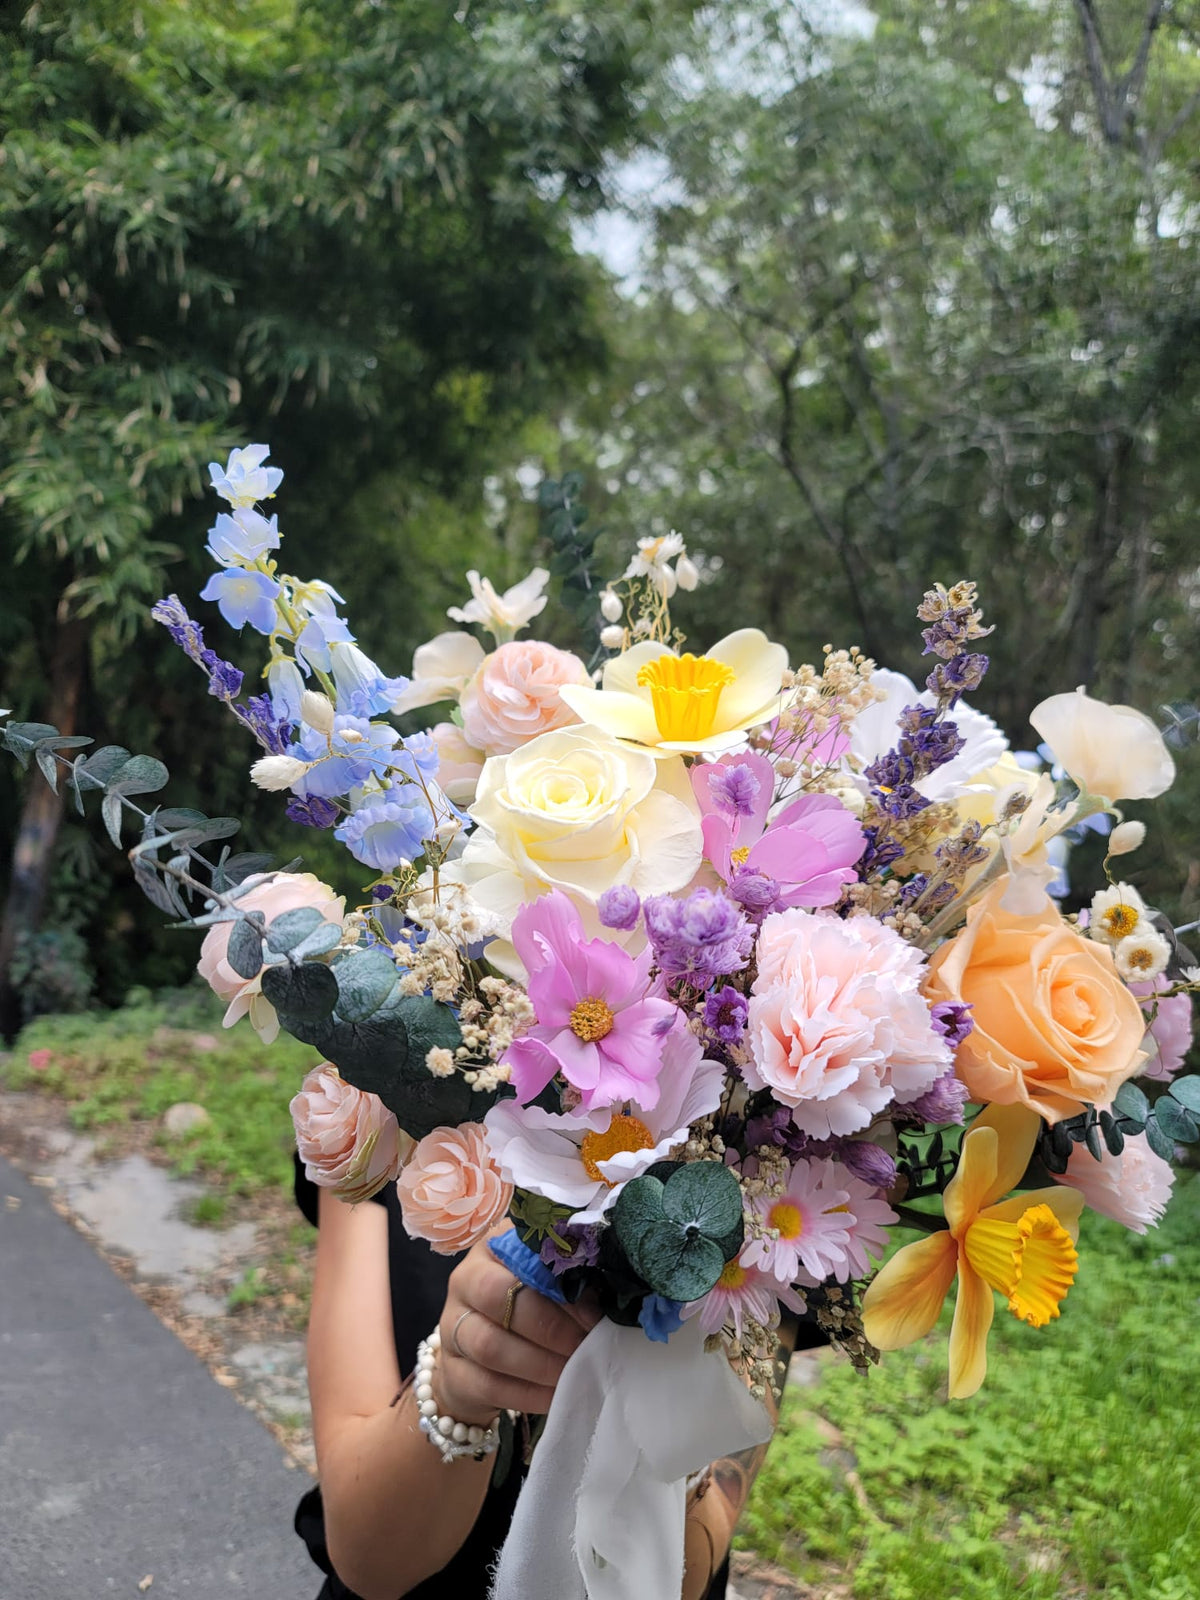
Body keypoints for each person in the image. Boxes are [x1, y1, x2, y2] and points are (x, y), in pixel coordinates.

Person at [293, 1157, 799, 1600]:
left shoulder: (772, 1167)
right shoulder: (386, 1112)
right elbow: (368, 1562)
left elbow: (683, 1580)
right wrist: (452, 1392)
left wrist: (668, 1440)